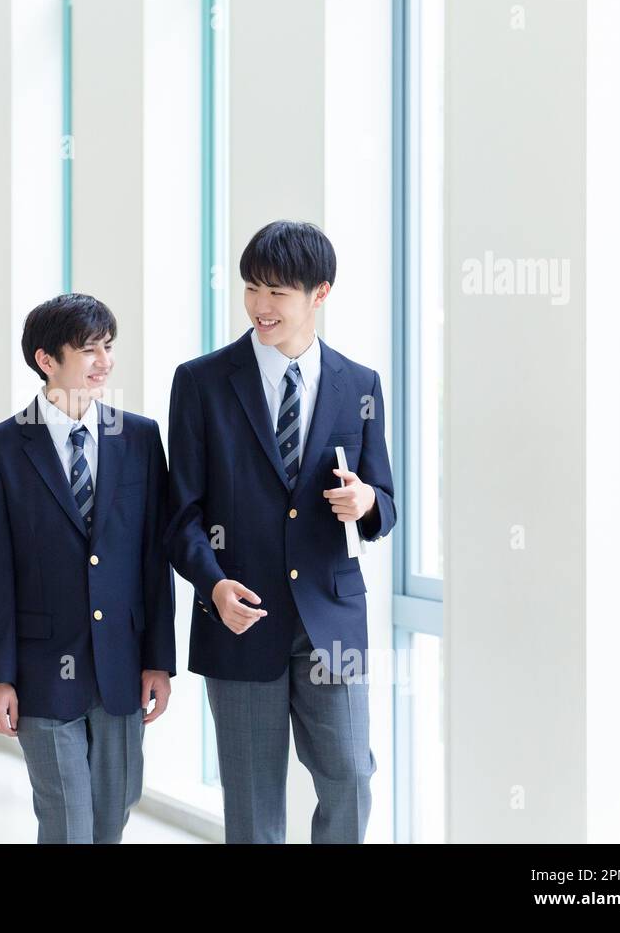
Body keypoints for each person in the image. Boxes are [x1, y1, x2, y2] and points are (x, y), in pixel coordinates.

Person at [165, 220, 396, 843]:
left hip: (332, 616)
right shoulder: (202, 382)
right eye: (251, 289)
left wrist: (367, 500)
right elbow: (179, 515)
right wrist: (213, 587)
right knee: (253, 800)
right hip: (240, 616)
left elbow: (386, 507)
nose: (260, 307)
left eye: (277, 293)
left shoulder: (360, 386)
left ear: (320, 294)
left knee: (350, 775)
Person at [0, 293, 175, 843]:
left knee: (112, 818)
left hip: (122, 667)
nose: (104, 361)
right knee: (67, 821)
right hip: (41, 670)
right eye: (89, 350)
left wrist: (159, 661)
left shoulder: (142, 439)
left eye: (108, 347)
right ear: (46, 360)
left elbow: (155, 560)